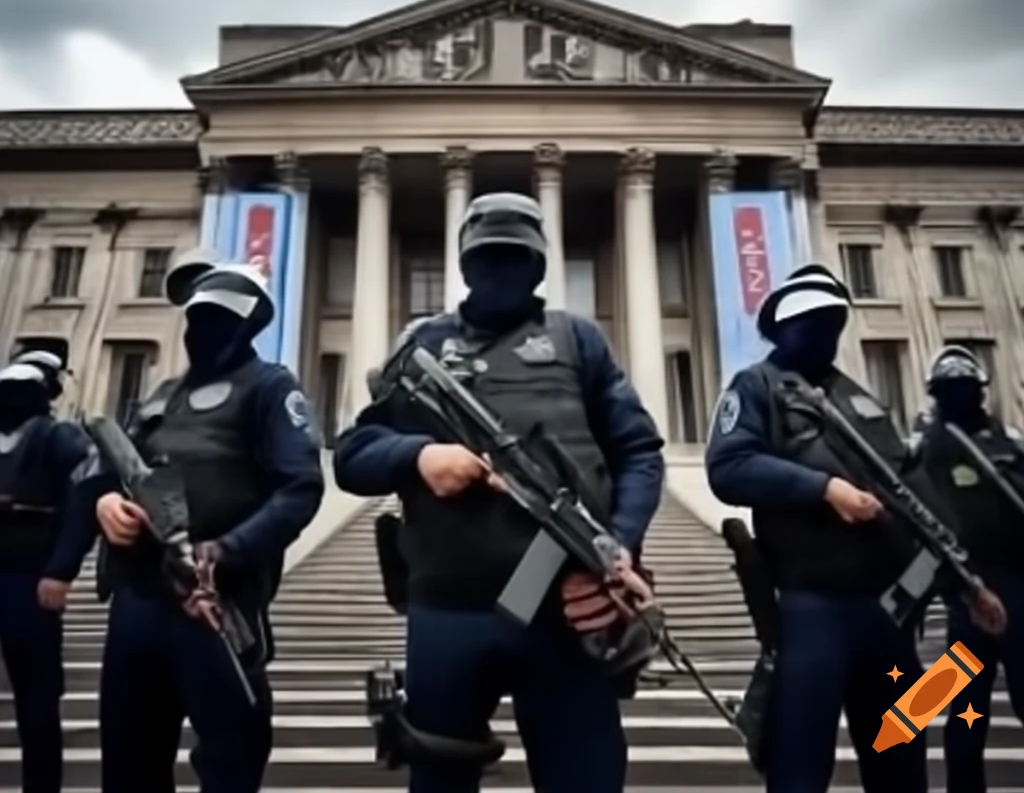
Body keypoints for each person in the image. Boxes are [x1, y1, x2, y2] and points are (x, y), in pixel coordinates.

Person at [335, 192, 665, 793]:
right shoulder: (424, 348)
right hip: (448, 614)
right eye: (487, 258)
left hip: (566, 612)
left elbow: (639, 452)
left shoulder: (577, 341)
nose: (500, 271)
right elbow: (353, 455)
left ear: (539, 264)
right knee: (439, 777)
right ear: (464, 264)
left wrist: (620, 547)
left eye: (515, 257)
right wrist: (420, 455)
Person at [705, 264, 1006, 793]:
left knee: (904, 763)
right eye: (811, 321)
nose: (823, 333)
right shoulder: (757, 386)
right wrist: (823, 488)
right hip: (809, 609)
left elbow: (921, 499)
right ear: (780, 326)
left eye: (831, 321)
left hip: (889, 617)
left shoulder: (862, 399)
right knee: (799, 766)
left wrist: (968, 584)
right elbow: (729, 466)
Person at [90, 258, 324, 793]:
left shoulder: (270, 387)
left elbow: (302, 487)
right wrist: (105, 503)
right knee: (128, 765)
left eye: (217, 317)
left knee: (230, 763)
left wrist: (229, 549)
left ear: (246, 323)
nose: (201, 331)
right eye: (195, 318)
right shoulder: (159, 396)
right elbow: (106, 469)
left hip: (217, 602)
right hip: (138, 603)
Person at [904, 345, 1024, 793]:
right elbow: (914, 525)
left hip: (1012, 588)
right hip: (962, 595)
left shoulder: (1009, 443)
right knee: (964, 718)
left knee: (967, 714)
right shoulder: (923, 450)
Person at [0, 356, 97, 793]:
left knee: (37, 705)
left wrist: (61, 570)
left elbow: (83, 503)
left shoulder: (62, 438)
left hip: (30, 582)